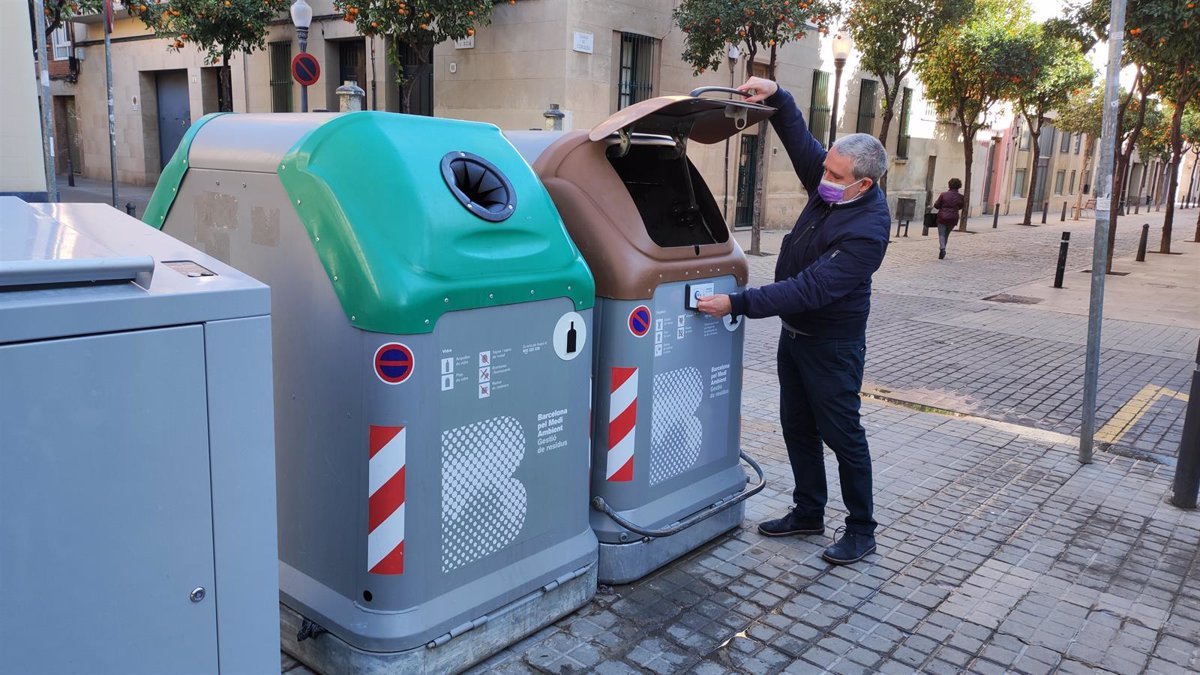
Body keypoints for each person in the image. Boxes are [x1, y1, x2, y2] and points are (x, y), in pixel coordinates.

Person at [696, 77, 889, 566]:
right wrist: (778, 96)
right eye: (827, 169)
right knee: (797, 427)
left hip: (832, 345)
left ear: (863, 184)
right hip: (796, 339)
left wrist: (738, 304)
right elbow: (801, 142)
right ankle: (808, 511)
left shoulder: (867, 229)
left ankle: (861, 530)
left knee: (843, 435)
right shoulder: (832, 190)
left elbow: (811, 290)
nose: (823, 176)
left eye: (836, 174)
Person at [932, 178, 965, 259]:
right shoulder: (961, 197)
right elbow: (961, 206)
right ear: (959, 186)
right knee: (946, 234)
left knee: (941, 234)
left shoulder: (943, 194)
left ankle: (942, 248)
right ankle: (943, 249)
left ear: (949, 185)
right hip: (953, 217)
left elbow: (936, 205)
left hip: (942, 217)